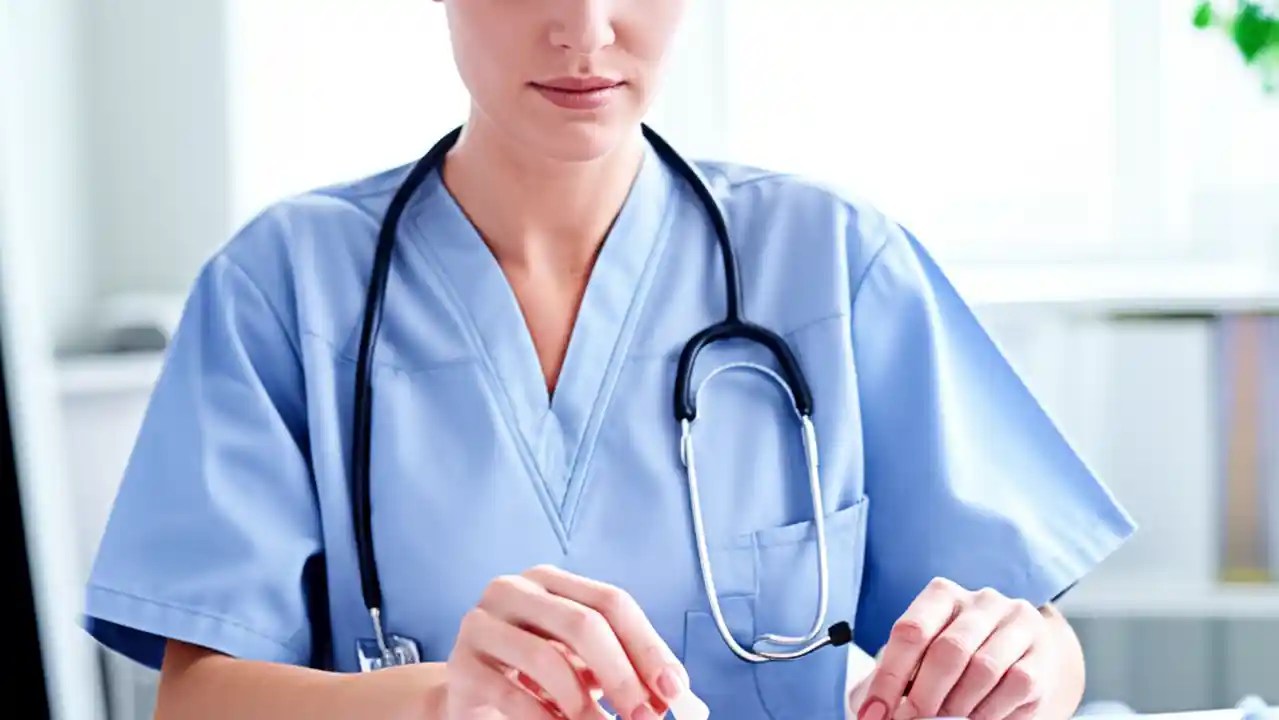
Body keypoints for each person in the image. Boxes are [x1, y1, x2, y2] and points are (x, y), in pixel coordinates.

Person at [81, 1, 1137, 718]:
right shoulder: (284, 286)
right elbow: (198, 698)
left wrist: (1017, 664)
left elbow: (1038, 639)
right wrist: (448, 699)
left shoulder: (832, 264)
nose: (583, 31)